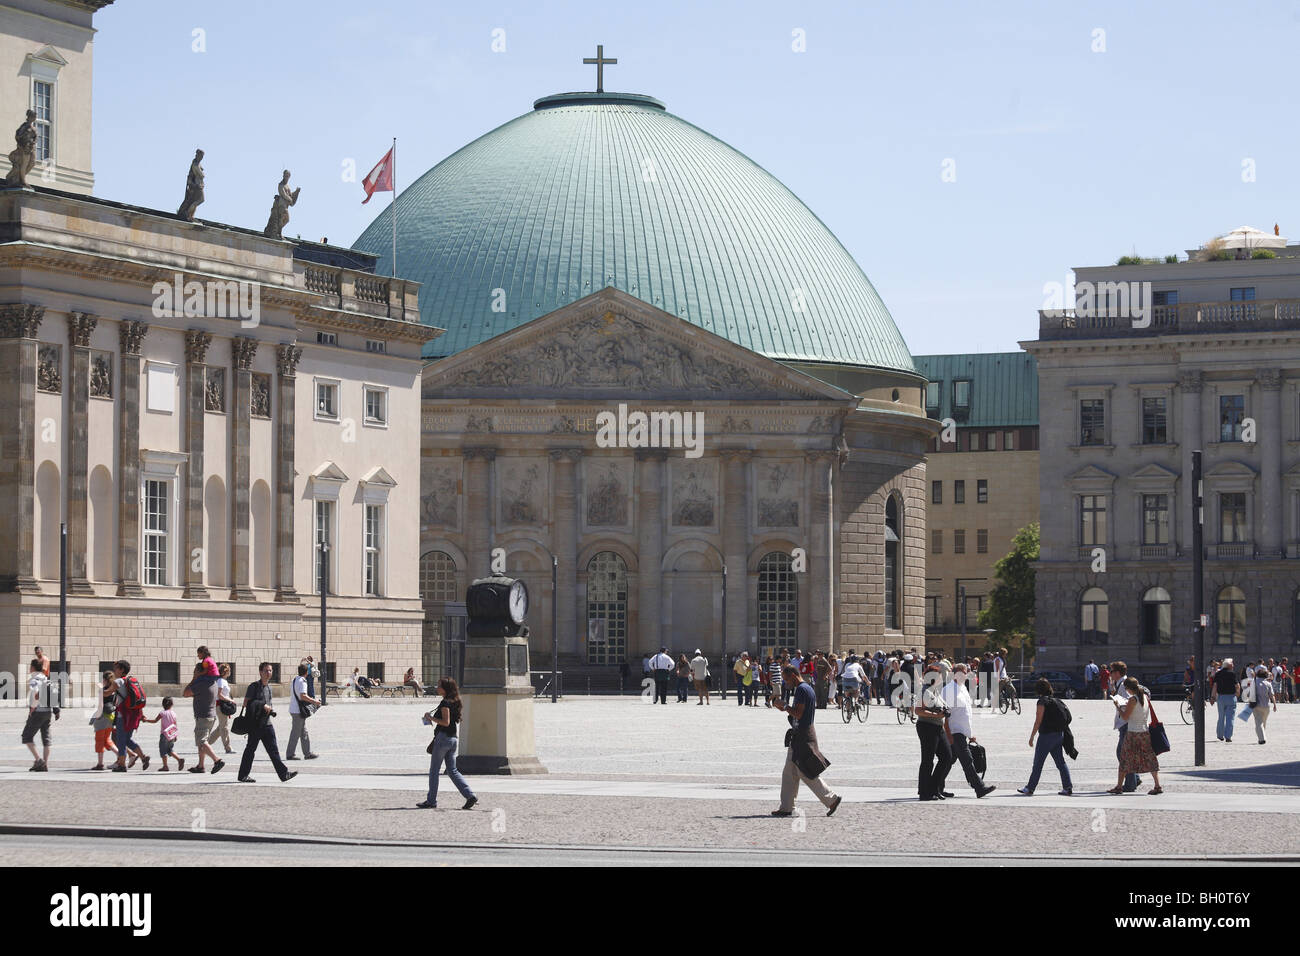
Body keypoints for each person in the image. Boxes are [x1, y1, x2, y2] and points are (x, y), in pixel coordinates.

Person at [771, 664, 841, 817]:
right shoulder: (804, 688)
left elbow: (799, 713)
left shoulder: (802, 690)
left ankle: (832, 799)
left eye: (787, 679)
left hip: (803, 737)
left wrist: (784, 706)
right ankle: (786, 807)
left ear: (794, 676)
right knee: (789, 773)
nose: (786, 683)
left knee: (806, 772)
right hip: (798, 735)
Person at [416, 677, 478, 810]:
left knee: (434, 771)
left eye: (439, 686)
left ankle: (431, 800)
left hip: (443, 739)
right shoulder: (454, 701)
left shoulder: (445, 703)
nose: (437, 688)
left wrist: (431, 718)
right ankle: (470, 795)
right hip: (453, 739)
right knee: (453, 771)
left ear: (445, 688)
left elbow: (446, 722)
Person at [941, 663, 996, 798]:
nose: (968, 674)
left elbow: (966, 713)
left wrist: (970, 734)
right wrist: (948, 735)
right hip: (954, 732)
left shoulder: (963, 688)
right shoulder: (948, 690)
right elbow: (945, 714)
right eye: (966, 672)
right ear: (957, 673)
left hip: (962, 732)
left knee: (948, 761)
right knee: (967, 760)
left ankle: (936, 786)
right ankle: (979, 787)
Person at [237, 662, 297, 784]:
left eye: (270, 671)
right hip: (255, 724)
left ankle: (284, 774)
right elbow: (246, 703)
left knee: (273, 750)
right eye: (266, 671)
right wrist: (261, 705)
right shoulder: (253, 687)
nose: (268, 673)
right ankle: (243, 775)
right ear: (260, 672)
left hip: (267, 724)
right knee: (250, 750)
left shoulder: (269, 687)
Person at [1018, 678, 1073, 796]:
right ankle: (1067, 787)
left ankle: (1030, 788)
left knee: (1038, 763)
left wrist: (1032, 737)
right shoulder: (1056, 700)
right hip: (1059, 735)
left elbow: (1038, 721)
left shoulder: (1042, 702)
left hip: (1046, 737)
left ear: (1038, 689)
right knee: (1061, 762)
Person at [1110, 677, 1162, 795]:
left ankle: (1119, 787)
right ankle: (1157, 785)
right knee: (1150, 758)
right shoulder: (1145, 697)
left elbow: (1125, 717)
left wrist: (1118, 706)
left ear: (1128, 689)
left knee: (1124, 759)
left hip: (1133, 733)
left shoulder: (1133, 699)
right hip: (1144, 733)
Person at [915, 665, 953, 801]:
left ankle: (933, 788)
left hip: (937, 727)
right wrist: (936, 715)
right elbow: (918, 710)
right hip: (926, 727)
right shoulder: (924, 690)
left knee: (947, 756)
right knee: (927, 760)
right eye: (939, 676)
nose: (941, 678)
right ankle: (924, 792)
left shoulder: (935, 691)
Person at [183, 663, 225, 774]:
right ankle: (201, 766)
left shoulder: (200, 682)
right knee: (203, 741)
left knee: (201, 742)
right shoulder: (212, 682)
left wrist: (193, 679)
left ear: (199, 671)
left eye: (195, 671)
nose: (194, 673)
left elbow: (186, 693)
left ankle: (217, 760)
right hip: (211, 716)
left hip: (203, 716)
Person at [110, 660, 149, 772]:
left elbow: (109, 692)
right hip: (133, 715)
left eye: (116, 668)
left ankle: (121, 765)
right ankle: (143, 757)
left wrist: (101, 692)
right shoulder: (131, 680)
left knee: (121, 740)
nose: (114, 670)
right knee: (127, 739)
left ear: (121, 670)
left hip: (123, 716)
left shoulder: (119, 681)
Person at [21, 657, 57, 771]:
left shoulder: (34, 679)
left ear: (32, 667)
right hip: (48, 711)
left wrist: (32, 708)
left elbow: (36, 694)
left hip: (38, 711)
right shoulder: (46, 678)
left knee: (26, 736)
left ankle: (38, 760)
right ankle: (45, 764)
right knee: (46, 738)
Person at [286, 663, 321, 761]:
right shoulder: (302, 681)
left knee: (303, 732)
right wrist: (315, 702)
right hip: (298, 710)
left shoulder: (295, 679)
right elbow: (303, 696)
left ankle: (307, 753)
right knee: (295, 733)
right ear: (307, 672)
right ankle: (290, 754)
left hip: (294, 709)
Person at [141, 698, 184, 771]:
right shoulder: (174, 713)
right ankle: (179, 759)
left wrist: (146, 720)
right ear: (172, 705)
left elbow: (155, 721)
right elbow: (175, 724)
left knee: (163, 750)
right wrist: (176, 735)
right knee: (170, 750)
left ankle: (165, 766)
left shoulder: (162, 713)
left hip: (164, 734)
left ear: (163, 705)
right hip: (171, 734)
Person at [90, 671, 119, 771]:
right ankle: (120, 756)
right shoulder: (114, 690)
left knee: (99, 740)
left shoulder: (102, 690)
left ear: (105, 680)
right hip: (111, 716)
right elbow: (116, 703)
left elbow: (100, 705)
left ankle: (100, 763)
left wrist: (97, 716)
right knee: (107, 740)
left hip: (103, 717)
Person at [207, 663, 236, 754]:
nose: (230, 672)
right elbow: (219, 694)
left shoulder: (223, 681)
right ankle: (228, 747)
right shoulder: (220, 681)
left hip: (223, 705)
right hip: (221, 705)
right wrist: (230, 700)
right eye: (229, 671)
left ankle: (206, 743)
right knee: (224, 727)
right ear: (225, 672)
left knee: (220, 728)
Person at [1246, 666, 1276, 744]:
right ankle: (1262, 737)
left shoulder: (1253, 682)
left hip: (1256, 706)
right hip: (1266, 706)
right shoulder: (1268, 684)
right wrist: (1275, 705)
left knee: (1259, 723)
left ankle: (1262, 738)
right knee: (1263, 722)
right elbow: (1272, 695)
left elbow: (1248, 694)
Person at [1213, 658, 1240, 742]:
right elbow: (1237, 685)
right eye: (1232, 664)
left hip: (1221, 697)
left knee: (1221, 717)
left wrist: (1212, 697)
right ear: (1228, 665)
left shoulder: (1218, 673)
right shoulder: (1232, 674)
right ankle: (1228, 736)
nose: (1233, 665)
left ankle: (1220, 735)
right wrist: (1237, 694)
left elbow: (1215, 686)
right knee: (1230, 718)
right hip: (1231, 697)